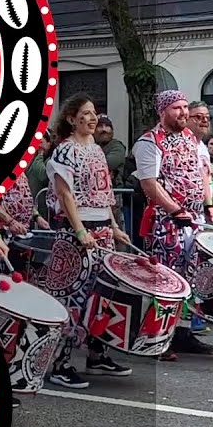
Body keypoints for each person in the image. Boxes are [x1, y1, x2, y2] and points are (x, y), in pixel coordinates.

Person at [45, 96, 133, 387]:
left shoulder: (95, 149)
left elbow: (103, 193)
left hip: (101, 232)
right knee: (72, 297)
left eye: (94, 113)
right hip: (76, 233)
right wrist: (80, 230)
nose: (93, 118)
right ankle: (61, 363)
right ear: (72, 119)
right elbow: (65, 194)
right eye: (86, 113)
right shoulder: (64, 151)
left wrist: (114, 226)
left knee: (101, 296)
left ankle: (97, 355)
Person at [132, 90, 213, 358]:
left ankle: (181, 333)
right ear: (162, 112)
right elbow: (149, 184)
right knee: (166, 280)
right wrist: (175, 209)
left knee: (188, 279)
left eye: (184, 108)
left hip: (192, 219)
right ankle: (154, 339)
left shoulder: (190, 138)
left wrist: (208, 203)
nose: (182, 113)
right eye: (176, 108)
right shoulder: (149, 142)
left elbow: (201, 173)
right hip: (166, 222)